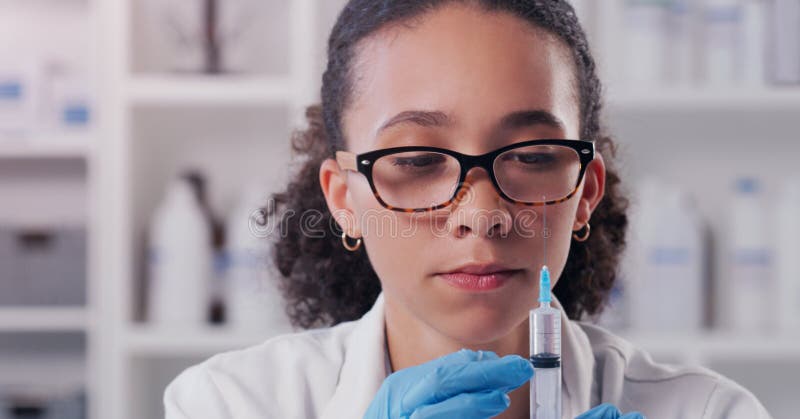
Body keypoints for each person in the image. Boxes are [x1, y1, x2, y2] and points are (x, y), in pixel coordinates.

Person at [163, 1, 773, 418]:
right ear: (344, 199)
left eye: (533, 155)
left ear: (585, 190)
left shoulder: (708, 412)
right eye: (417, 159)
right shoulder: (229, 403)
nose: (481, 214)